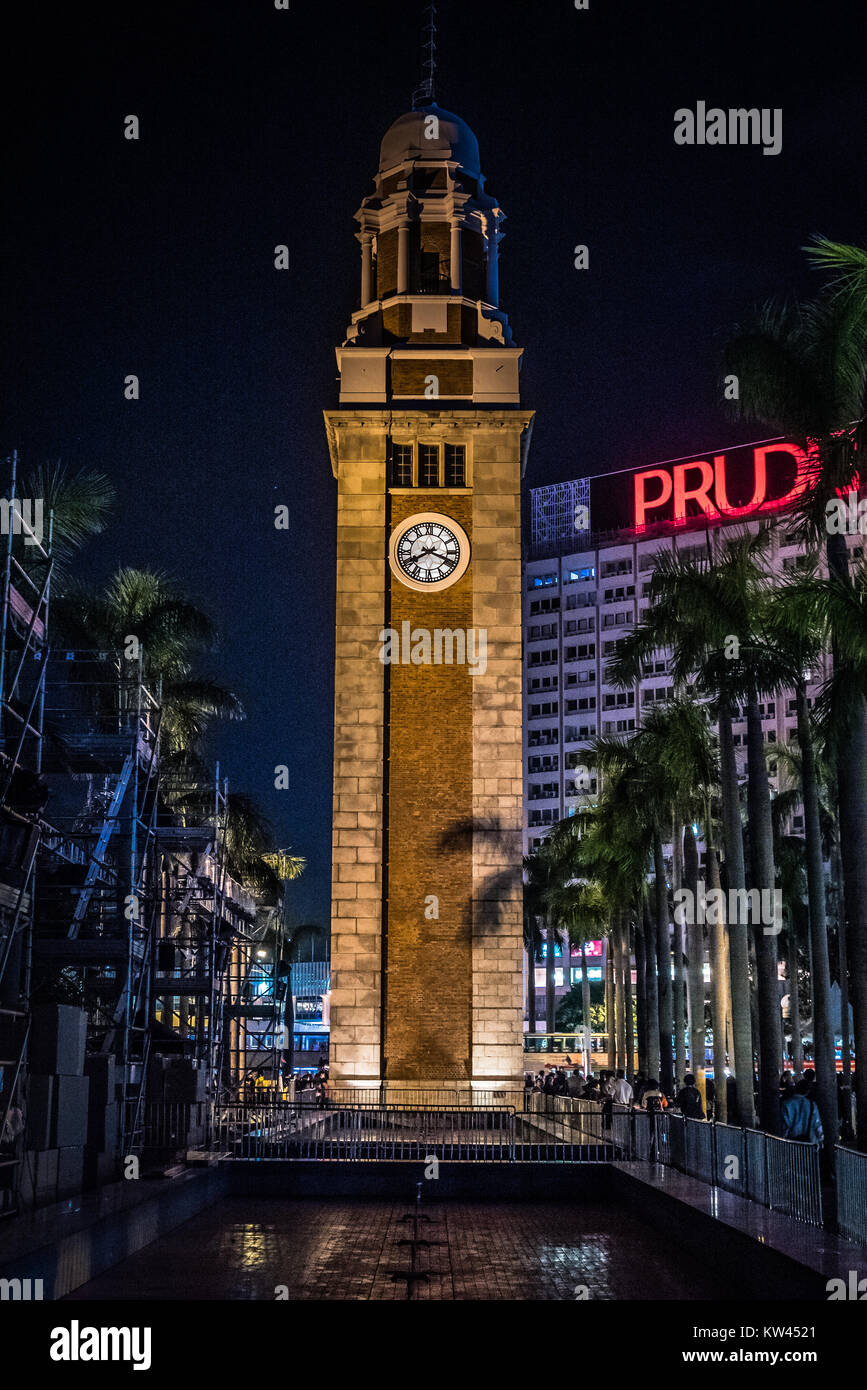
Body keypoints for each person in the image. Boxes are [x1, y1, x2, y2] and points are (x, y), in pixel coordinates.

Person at [781, 1077, 824, 1145]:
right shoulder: (812, 1105)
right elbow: (818, 1126)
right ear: (808, 1091)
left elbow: (784, 1126)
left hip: (791, 1143)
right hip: (810, 1143)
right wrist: (820, 1140)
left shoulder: (787, 1104)